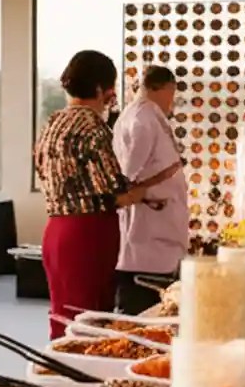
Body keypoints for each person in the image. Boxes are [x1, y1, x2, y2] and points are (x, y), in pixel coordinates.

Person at [35, 50, 181, 339]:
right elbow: (116, 194)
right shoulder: (93, 127)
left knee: (62, 317)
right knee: (89, 319)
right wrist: (158, 180)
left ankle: (58, 372)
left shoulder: (52, 123)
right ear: (102, 88)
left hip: (55, 230)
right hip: (89, 234)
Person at [112, 65, 188, 314]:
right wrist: (142, 192)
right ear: (163, 88)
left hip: (157, 224)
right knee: (144, 309)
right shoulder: (141, 120)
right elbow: (128, 172)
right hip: (148, 227)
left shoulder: (146, 115)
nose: (172, 101)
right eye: (172, 94)